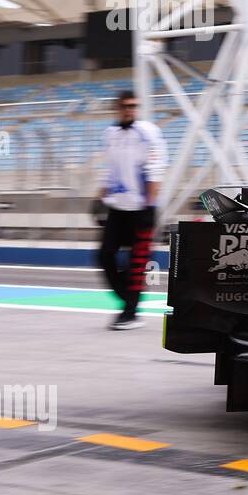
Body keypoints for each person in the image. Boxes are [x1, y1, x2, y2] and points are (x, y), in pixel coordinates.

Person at [96, 90, 167, 330]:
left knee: (136, 264)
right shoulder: (110, 134)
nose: (130, 110)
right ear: (117, 108)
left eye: (133, 106)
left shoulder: (148, 133)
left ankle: (130, 313)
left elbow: (155, 170)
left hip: (141, 209)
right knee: (104, 256)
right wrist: (99, 199)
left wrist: (150, 205)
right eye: (125, 106)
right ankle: (128, 300)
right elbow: (110, 171)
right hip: (117, 207)